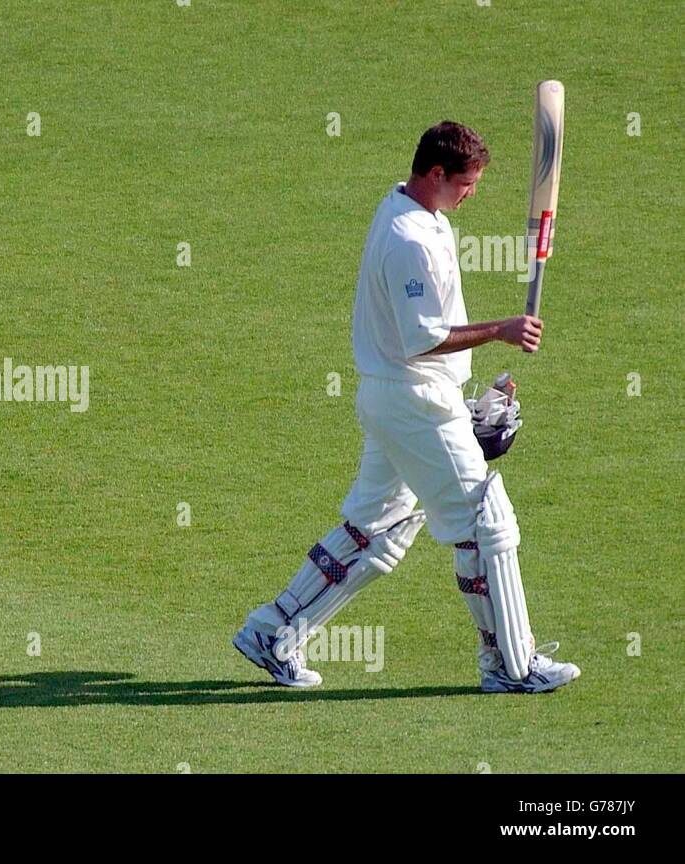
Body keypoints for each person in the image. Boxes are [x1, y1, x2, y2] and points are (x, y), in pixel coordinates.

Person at [232, 121, 579, 694]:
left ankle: (274, 631)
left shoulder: (406, 207)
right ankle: (513, 666)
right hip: (415, 400)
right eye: (467, 183)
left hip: (399, 396)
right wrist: (503, 330)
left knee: (379, 530)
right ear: (436, 174)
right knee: (484, 523)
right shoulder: (411, 240)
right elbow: (423, 338)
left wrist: (463, 400)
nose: (473, 193)